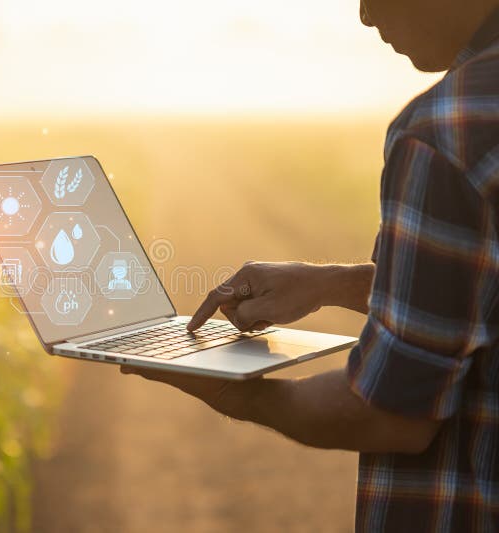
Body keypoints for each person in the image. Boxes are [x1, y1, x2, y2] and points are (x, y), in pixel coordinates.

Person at [122, 1, 499, 530]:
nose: (366, 16)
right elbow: (481, 291)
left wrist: (235, 391)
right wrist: (330, 283)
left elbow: (390, 414)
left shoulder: (447, 130)